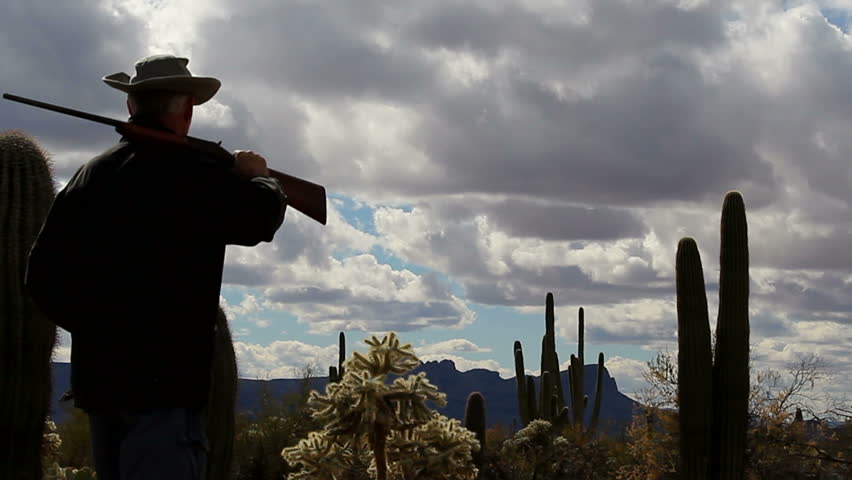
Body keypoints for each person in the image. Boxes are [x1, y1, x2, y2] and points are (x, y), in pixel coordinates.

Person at [24, 54, 288, 480]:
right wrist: (261, 178)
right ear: (187, 109)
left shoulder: (91, 175)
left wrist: (102, 330)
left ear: (131, 105)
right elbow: (259, 218)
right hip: (168, 391)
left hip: (102, 387)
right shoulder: (195, 172)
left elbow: (42, 278)